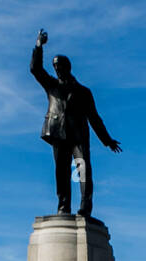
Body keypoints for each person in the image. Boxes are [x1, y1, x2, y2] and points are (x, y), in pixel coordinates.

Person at [30, 29, 122, 217]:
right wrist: (39, 46)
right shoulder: (52, 85)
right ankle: (63, 206)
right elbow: (35, 69)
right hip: (58, 133)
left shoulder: (83, 92)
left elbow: (94, 118)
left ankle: (85, 208)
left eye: (60, 66)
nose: (56, 69)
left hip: (78, 135)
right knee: (61, 172)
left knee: (83, 170)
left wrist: (107, 140)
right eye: (54, 66)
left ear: (68, 67)